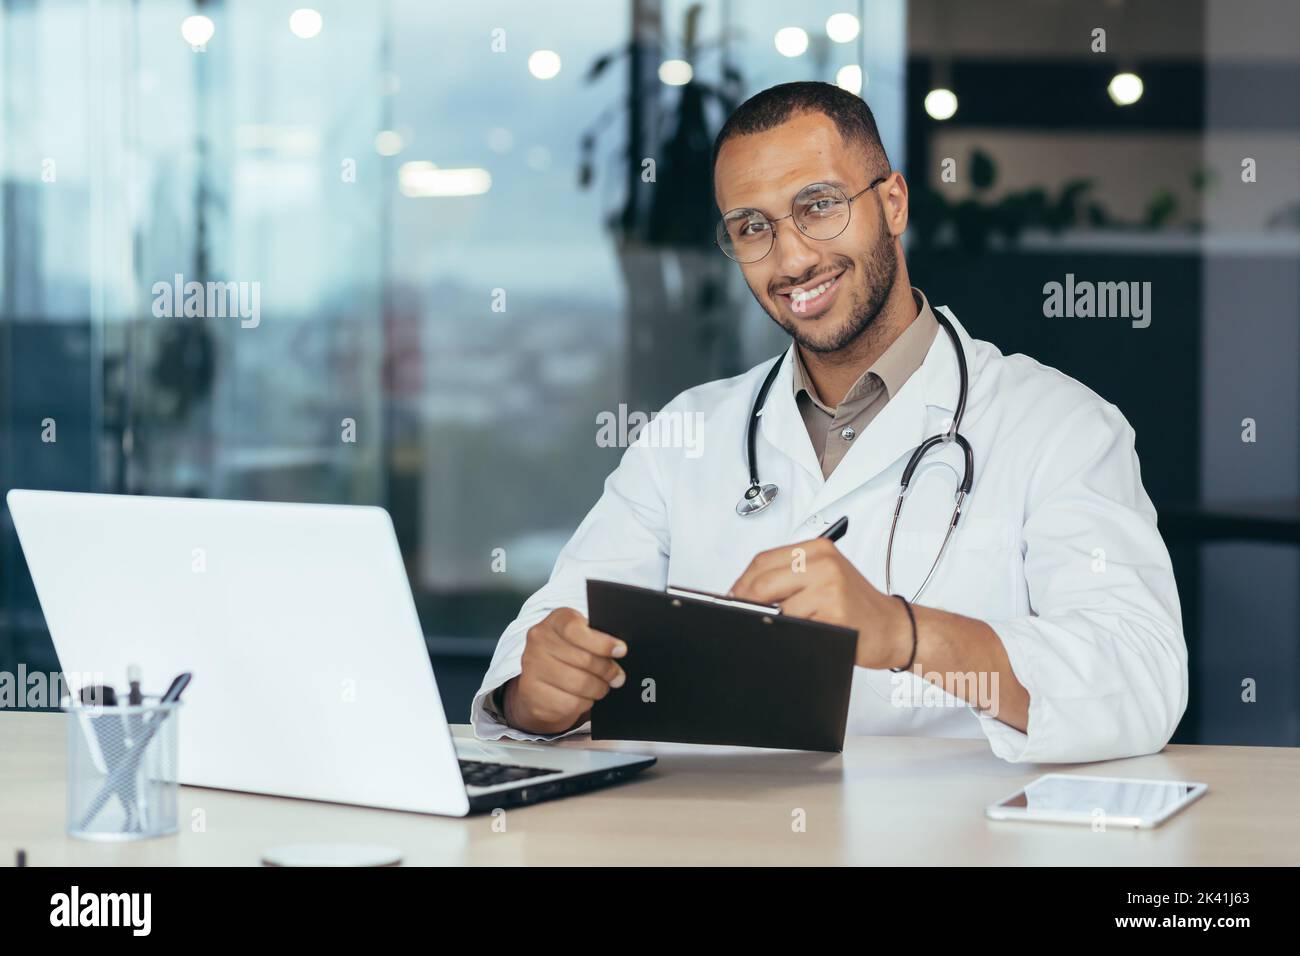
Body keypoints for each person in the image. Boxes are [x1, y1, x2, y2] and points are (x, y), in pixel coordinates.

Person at [471, 81, 1187, 763]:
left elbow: (1141, 676)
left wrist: (905, 633)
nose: (792, 258)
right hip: (717, 840)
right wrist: (539, 695)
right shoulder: (685, 434)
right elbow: (548, 641)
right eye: (752, 227)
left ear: (895, 202)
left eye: (818, 206)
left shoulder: (1059, 425)